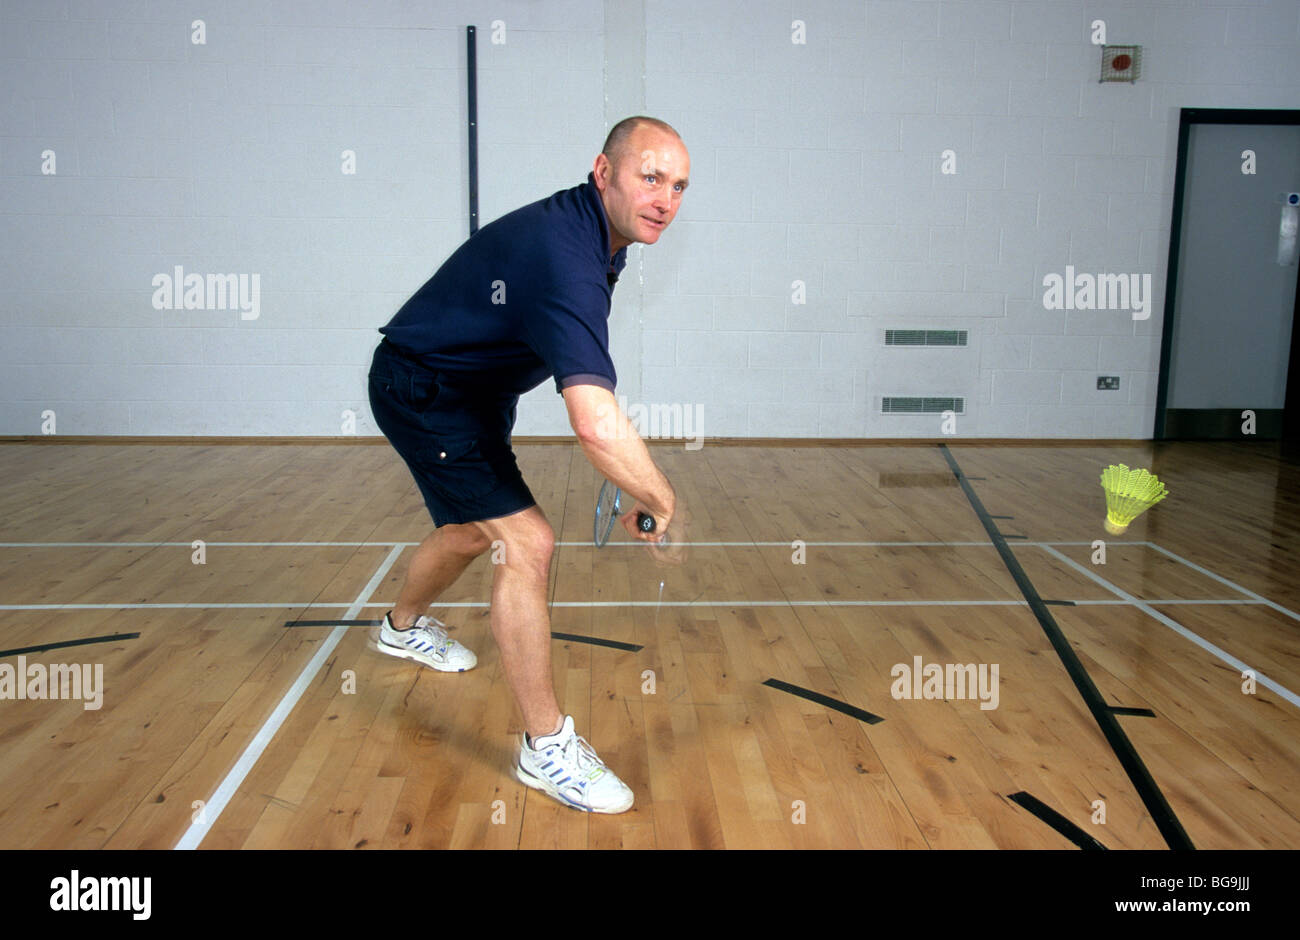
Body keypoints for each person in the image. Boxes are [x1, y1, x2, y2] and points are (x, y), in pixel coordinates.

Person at [366, 116, 690, 813]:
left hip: (467, 392)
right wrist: (662, 497)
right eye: (651, 177)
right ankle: (546, 750)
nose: (665, 199)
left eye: (679, 186)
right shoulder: (567, 253)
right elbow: (594, 421)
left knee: (468, 529)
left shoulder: (602, 235)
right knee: (527, 541)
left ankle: (398, 630)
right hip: (424, 389)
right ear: (603, 172)